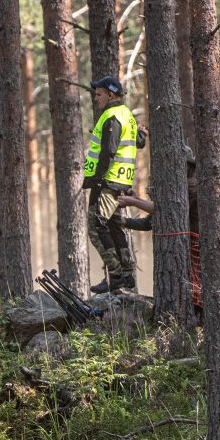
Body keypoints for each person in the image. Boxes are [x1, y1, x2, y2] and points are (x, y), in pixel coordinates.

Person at [81, 75, 144, 294]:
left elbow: (108, 152)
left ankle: (116, 276)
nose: (95, 98)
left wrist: (96, 180)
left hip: (106, 182)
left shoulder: (112, 116)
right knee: (115, 228)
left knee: (97, 229)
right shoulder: (126, 115)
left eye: (98, 94)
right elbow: (140, 142)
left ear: (111, 94)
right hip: (121, 182)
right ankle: (126, 275)